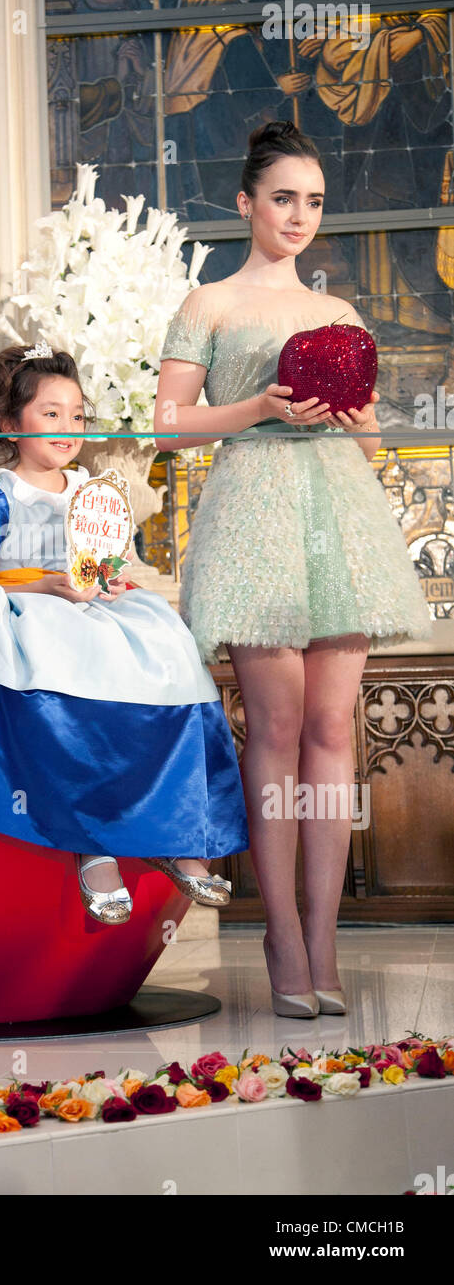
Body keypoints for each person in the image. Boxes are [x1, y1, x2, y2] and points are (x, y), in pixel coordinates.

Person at [154, 119, 432, 1018]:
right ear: (245, 203)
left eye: (313, 201)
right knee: (272, 730)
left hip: (338, 511)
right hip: (253, 512)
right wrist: (258, 405)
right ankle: (277, 936)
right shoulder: (209, 304)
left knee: (330, 731)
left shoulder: (340, 314)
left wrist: (354, 422)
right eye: (283, 198)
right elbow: (167, 422)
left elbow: (373, 431)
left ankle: (324, 939)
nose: (299, 215)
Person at [0, 342, 249, 923]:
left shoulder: (90, 487)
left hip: (92, 602)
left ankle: (175, 835)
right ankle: (93, 846)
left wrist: (116, 581)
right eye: (50, 413)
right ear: (11, 422)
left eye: (77, 415)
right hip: (28, 602)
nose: (67, 427)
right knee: (74, 672)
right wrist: (49, 586)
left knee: (167, 650)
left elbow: (112, 558)